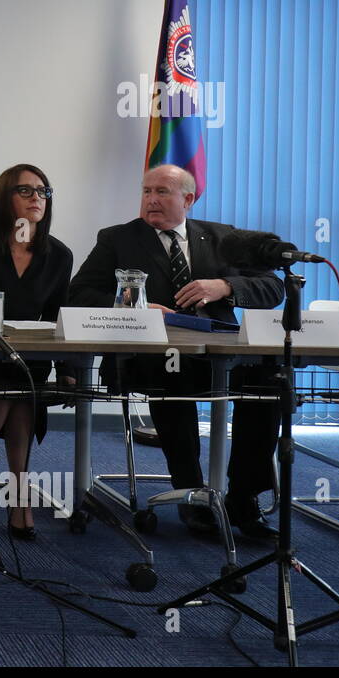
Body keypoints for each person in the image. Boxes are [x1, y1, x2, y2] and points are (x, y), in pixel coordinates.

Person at [67, 163, 284, 539]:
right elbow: (80, 293)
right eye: (146, 191)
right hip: (152, 355)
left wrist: (225, 286)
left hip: (219, 352)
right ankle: (191, 493)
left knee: (267, 382)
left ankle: (244, 496)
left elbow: (274, 288)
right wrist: (134, 305)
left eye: (161, 192)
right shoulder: (119, 239)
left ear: (188, 198)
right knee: (171, 373)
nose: (151, 199)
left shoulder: (223, 238)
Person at [0, 164, 73, 540]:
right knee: (14, 386)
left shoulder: (59, 255)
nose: (37, 197)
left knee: (21, 384)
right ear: (5, 198)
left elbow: (57, 317)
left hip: (29, 357)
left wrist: (67, 369)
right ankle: (18, 493)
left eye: (43, 192)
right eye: (26, 190)